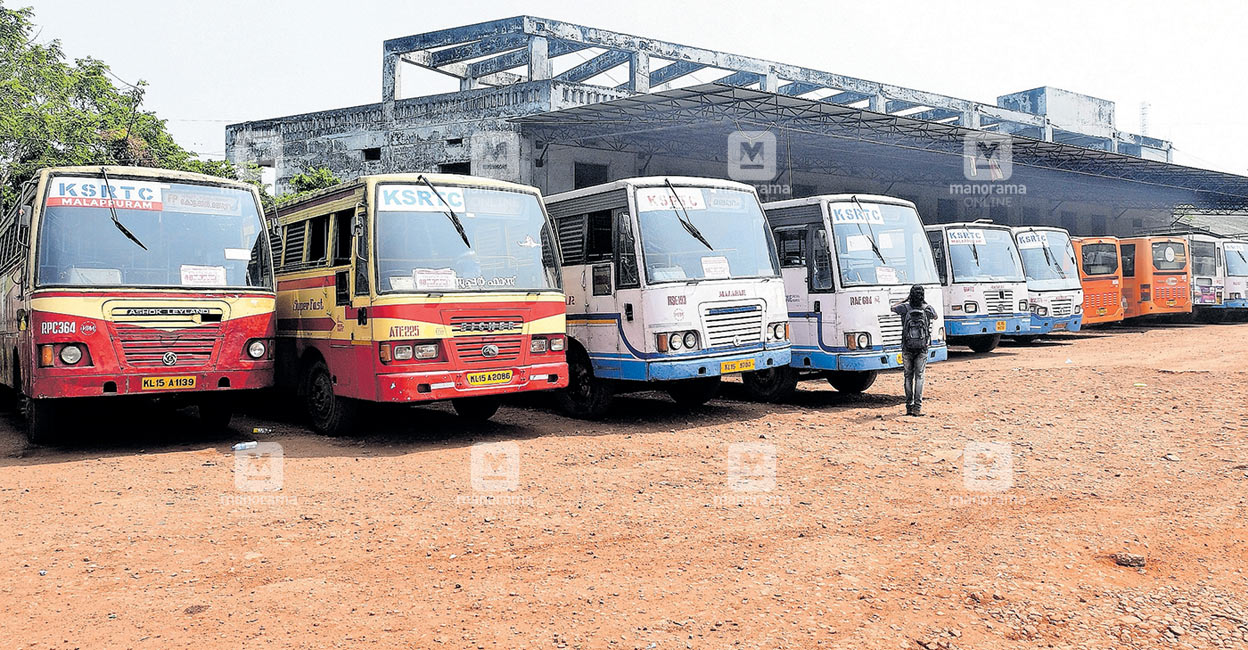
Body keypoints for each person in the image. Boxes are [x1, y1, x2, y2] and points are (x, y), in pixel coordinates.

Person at [891, 285, 938, 416]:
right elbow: (936, 316)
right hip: (922, 348)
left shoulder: (904, 308)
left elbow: (892, 307)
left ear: (910, 295)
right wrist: (924, 302)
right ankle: (917, 408)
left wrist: (904, 300)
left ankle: (908, 407)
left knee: (908, 377)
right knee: (919, 377)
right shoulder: (927, 309)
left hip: (907, 347)